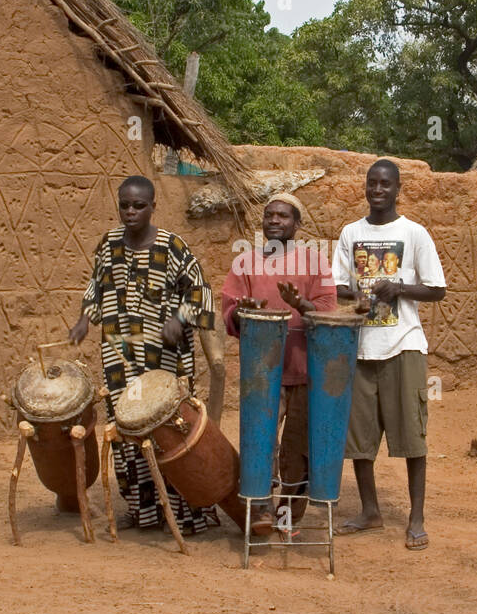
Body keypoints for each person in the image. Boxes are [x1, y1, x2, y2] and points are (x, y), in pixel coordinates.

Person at [69, 175, 219, 534]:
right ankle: (145, 513)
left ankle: (184, 512)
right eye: (125, 205)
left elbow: (201, 294)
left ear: (154, 206)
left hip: (165, 359)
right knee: (127, 427)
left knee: (169, 429)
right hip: (120, 356)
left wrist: (179, 318)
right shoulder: (108, 246)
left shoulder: (173, 248)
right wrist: (84, 320)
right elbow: (96, 286)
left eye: (139, 205)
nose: (131, 211)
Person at [331, 159, 447, 550]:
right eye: (372, 183)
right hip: (360, 348)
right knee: (359, 437)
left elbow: (436, 289)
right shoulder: (350, 233)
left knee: (412, 435)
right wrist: (357, 295)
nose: (377, 189)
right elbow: (336, 288)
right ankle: (370, 511)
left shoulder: (414, 234)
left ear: (398, 190)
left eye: (385, 184)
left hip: (403, 346)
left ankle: (416, 518)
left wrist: (398, 289)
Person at [221, 194, 337, 535]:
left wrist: (298, 303)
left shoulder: (315, 263)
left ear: (296, 224)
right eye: (269, 215)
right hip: (262, 372)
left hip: (304, 370)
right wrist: (245, 312)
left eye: (283, 216)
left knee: (297, 448)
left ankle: (289, 516)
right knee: (260, 440)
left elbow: (327, 309)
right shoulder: (245, 264)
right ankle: (260, 510)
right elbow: (229, 310)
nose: (274, 220)